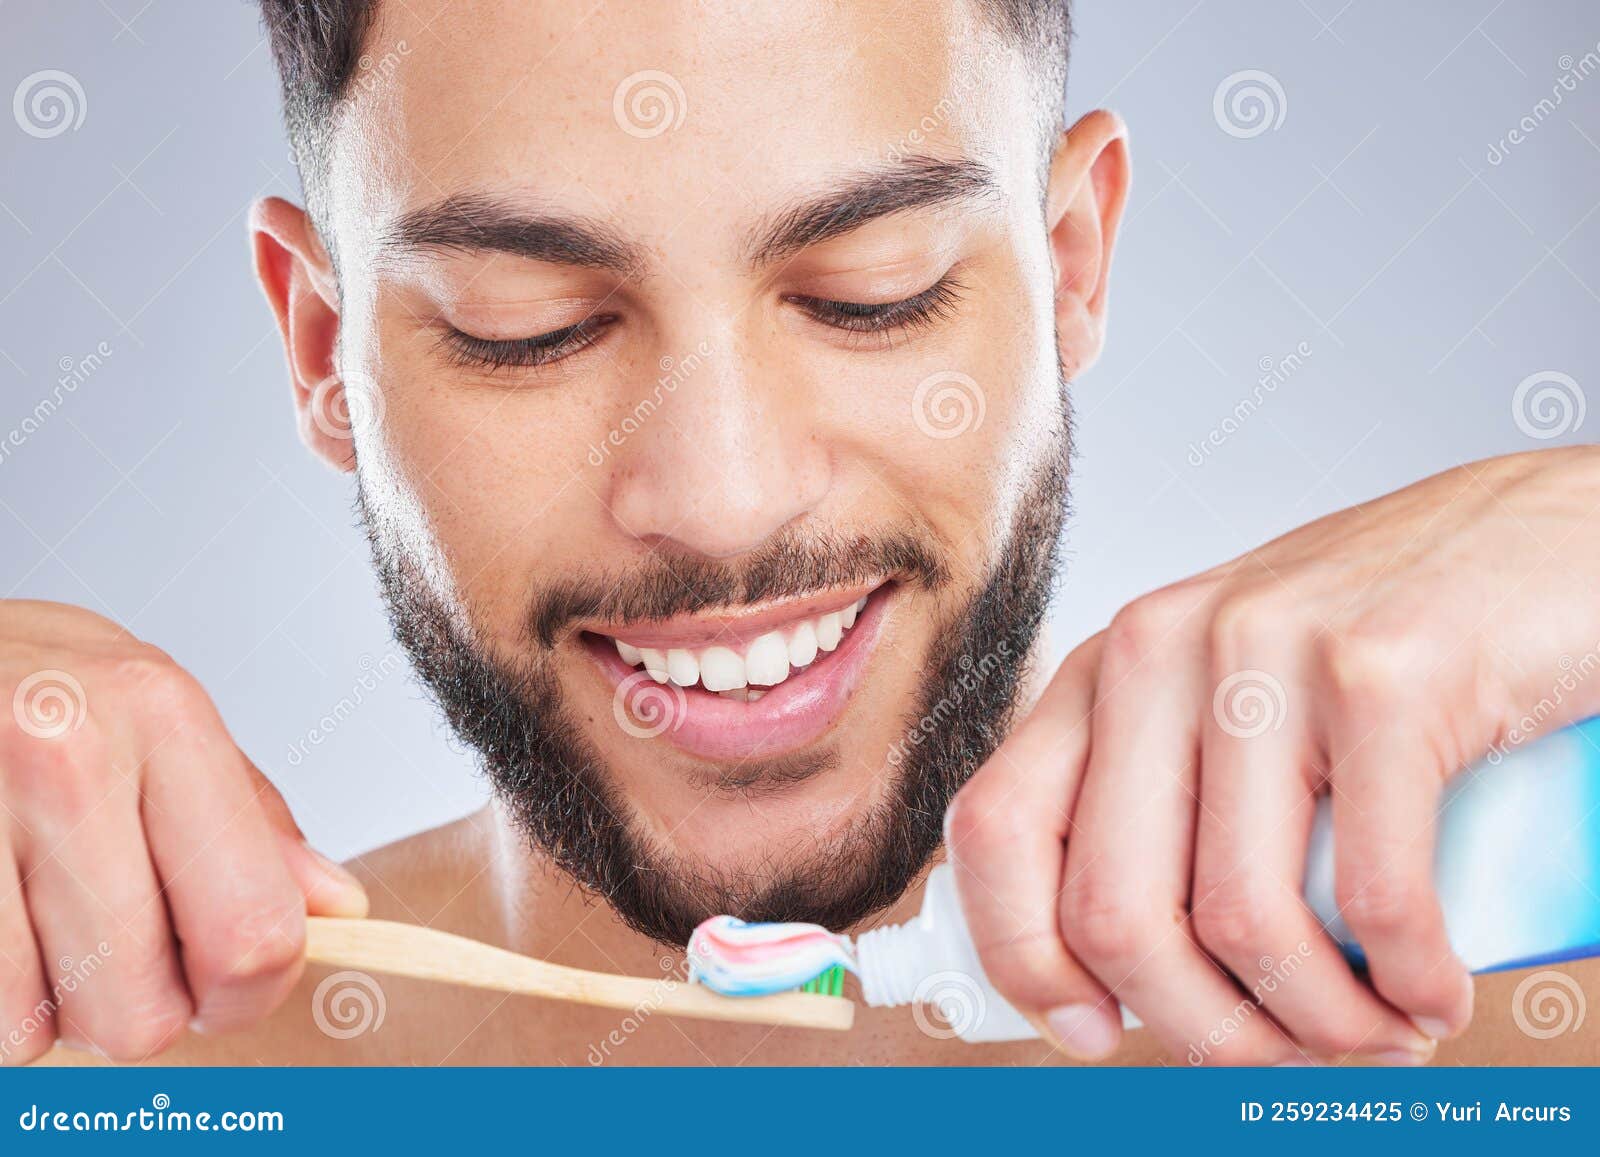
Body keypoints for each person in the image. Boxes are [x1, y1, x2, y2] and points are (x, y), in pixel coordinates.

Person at [9, 0, 1598, 1067]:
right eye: (528, 325)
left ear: (1071, 263)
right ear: (321, 353)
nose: (719, 496)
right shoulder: (108, 1077)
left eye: (872, 290)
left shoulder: (1516, 1013)